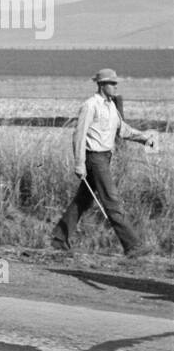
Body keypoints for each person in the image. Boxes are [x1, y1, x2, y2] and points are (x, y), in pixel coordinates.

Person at [51, 69, 154, 256]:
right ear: (101, 85)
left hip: (105, 157)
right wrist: (79, 163)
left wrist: (144, 138)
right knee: (111, 199)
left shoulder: (111, 106)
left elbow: (123, 130)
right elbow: (79, 135)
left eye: (116, 84)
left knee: (82, 200)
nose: (115, 87)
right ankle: (132, 245)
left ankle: (59, 238)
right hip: (94, 159)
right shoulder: (90, 106)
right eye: (111, 83)